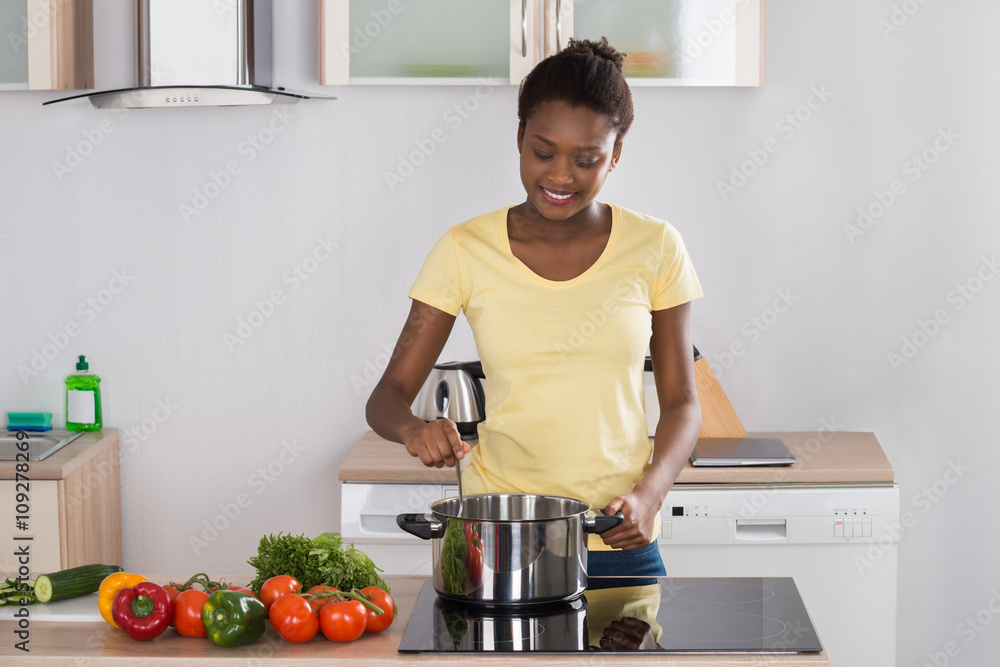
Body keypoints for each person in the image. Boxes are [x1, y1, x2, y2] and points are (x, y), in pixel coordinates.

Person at [366, 37, 703, 579]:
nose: (560, 175)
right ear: (520, 138)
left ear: (616, 154)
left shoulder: (657, 246)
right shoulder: (464, 249)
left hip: (616, 533)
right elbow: (387, 396)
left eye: (586, 158)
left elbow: (683, 401)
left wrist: (651, 494)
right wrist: (412, 431)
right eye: (543, 151)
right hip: (500, 539)